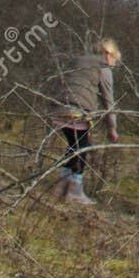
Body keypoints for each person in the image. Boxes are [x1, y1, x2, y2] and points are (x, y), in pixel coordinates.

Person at [52, 38, 121, 206]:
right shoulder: (103, 67)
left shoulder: (76, 60)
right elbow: (108, 101)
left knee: (74, 146)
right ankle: (74, 192)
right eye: (115, 59)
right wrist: (112, 128)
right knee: (82, 148)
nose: (114, 64)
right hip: (77, 111)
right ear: (108, 53)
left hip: (58, 108)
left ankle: (61, 188)